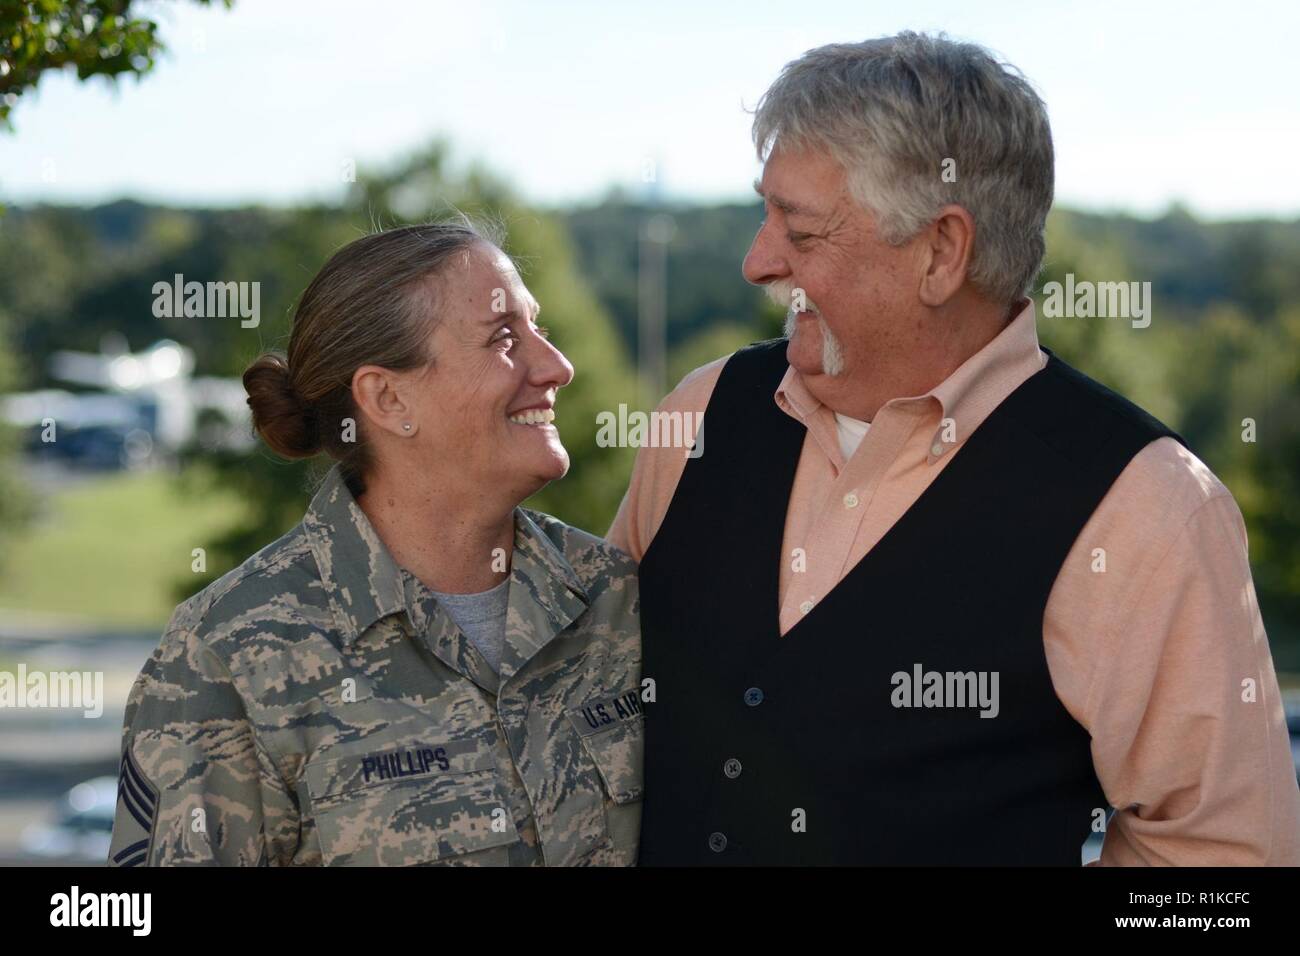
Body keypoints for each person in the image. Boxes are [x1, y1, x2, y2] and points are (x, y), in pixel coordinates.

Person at [611, 33, 1300, 865]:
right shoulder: (700, 417)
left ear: (940, 252)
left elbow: (1224, 868)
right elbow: (586, 707)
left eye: (799, 230)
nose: (758, 262)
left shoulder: (1146, 508)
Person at [107, 220, 642, 866]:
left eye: (541, 330)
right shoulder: (230, 654)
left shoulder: (614, 596)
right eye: (505, 338)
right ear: (387, 398)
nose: (557, 367)